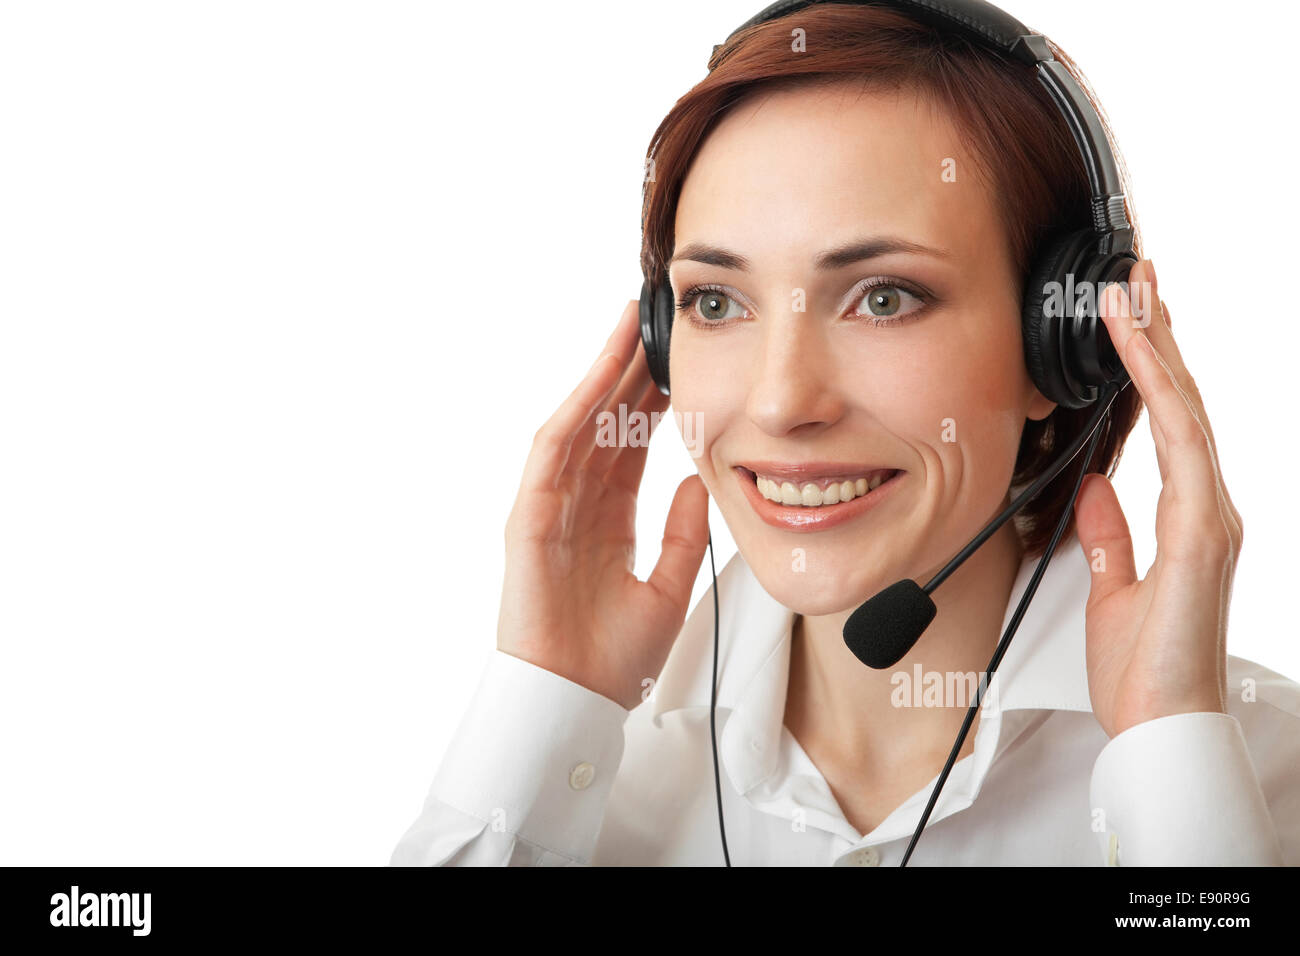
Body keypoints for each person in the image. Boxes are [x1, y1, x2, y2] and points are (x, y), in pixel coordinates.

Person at [390, 1, 1300, 865]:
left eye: (883, 298)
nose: (784, 402)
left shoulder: (1248, 785)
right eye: (716, 301)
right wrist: (547, 700)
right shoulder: (576, 771)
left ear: (1066, 343)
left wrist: (1170, 747)